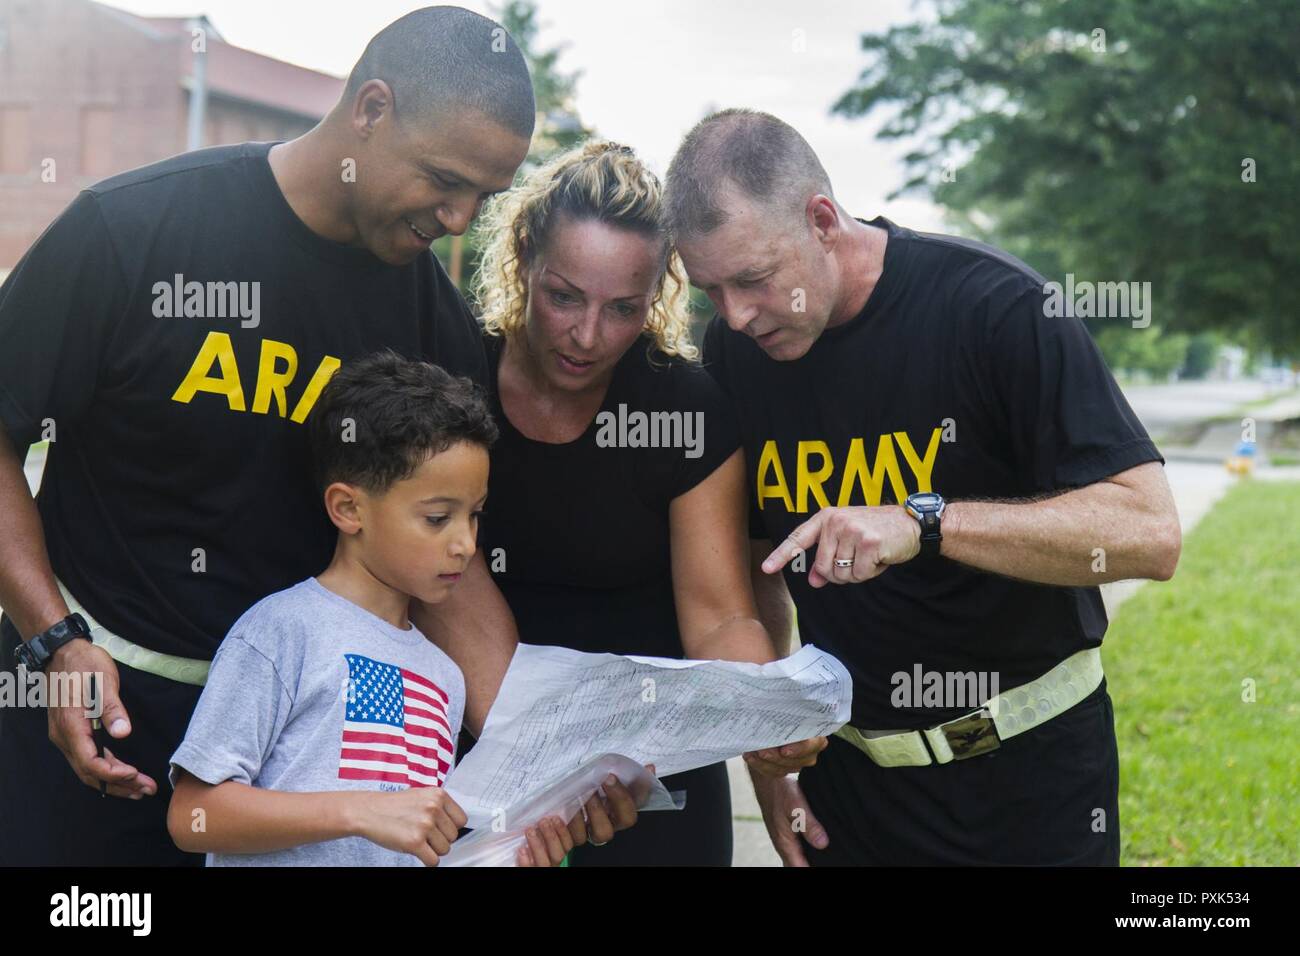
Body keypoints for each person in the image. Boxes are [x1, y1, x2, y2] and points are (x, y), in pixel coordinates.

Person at [0, 6, 634, 865]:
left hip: (298, 773)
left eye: (483, 196)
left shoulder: (433, 326)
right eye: (443, 179)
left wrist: (559, 762)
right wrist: (51, 640)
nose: (458, 219)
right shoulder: (134, 231)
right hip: (96, 717)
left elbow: (449, 560)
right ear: (370, 109)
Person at [665, 109, 1183, 866]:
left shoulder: (995, 308)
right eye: (712, 290)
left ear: (821, 220)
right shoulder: (734, 355)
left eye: (753, 279)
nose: (736, 316)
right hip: (854, 798)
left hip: (1031, 787)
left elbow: (1150, 532)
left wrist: (923, 523)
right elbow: (755, 568)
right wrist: (768, 766)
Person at [469, 140, 826, 865]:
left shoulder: (682, 407)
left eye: (623, 309)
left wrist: (768, 714)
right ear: (525, 256)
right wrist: (546, 769)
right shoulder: (454, 377)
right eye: (563, 295)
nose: (587, 335)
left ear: (659, 291)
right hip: (483, 763)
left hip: (654, 783)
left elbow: (722, 613)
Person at [167, 353, 626, 866]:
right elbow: (191, 815)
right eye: (437, 518)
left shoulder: (447, 678)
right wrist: (360, 811)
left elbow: (413, 845)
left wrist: (512, 853)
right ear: (347, 508)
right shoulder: (281, 631)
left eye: (474, 516)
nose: (466, 545)